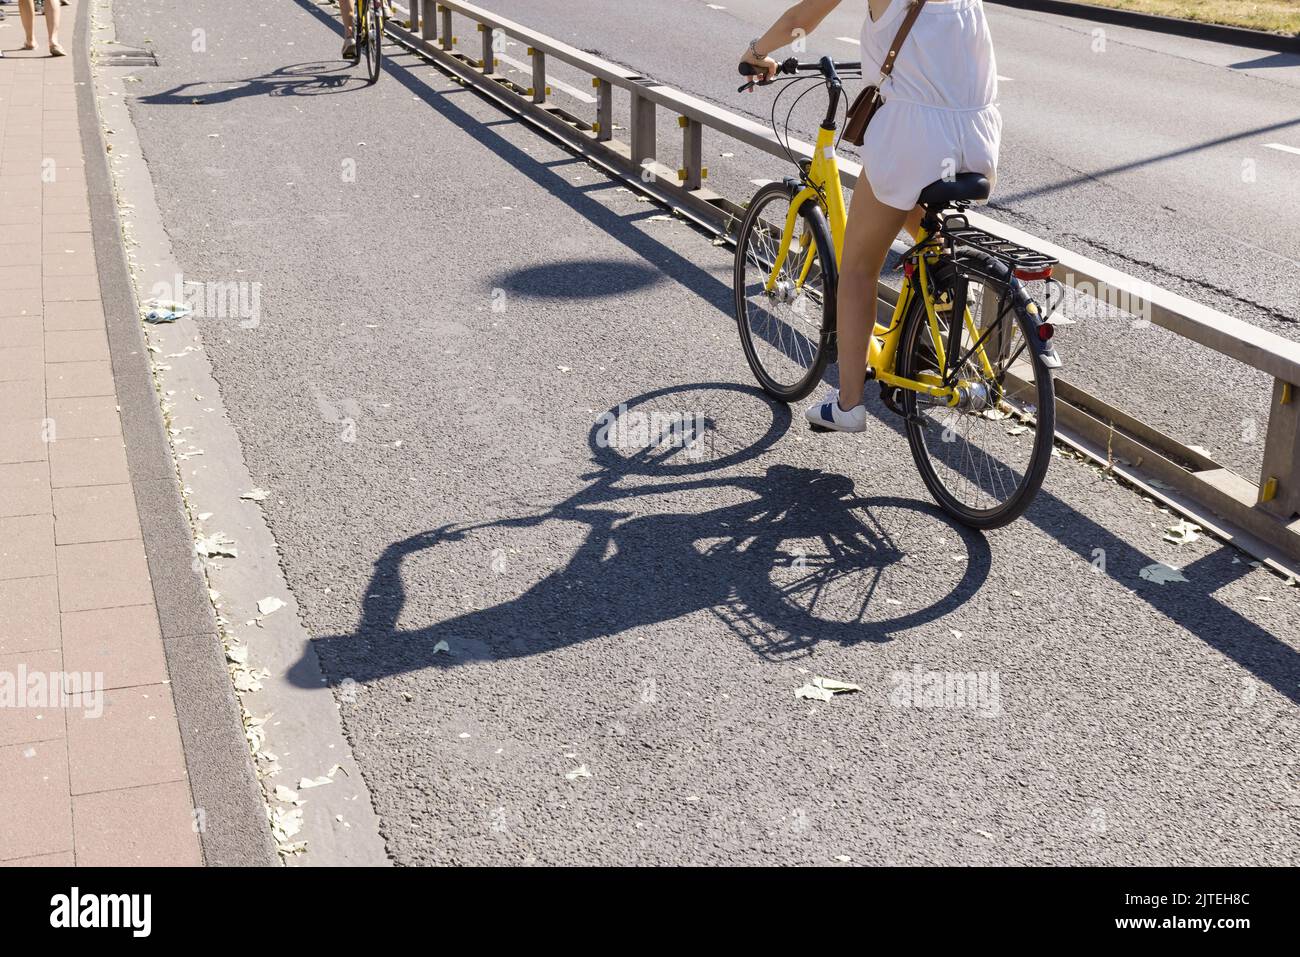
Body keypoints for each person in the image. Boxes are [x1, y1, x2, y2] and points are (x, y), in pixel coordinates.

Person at [739, 0, 1001, 433]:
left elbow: (797, 22)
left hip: (914, 141)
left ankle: (848, 405)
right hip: (977, 139)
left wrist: (756, 54)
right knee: (908, 205)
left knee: (858, 268)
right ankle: (944, 287)